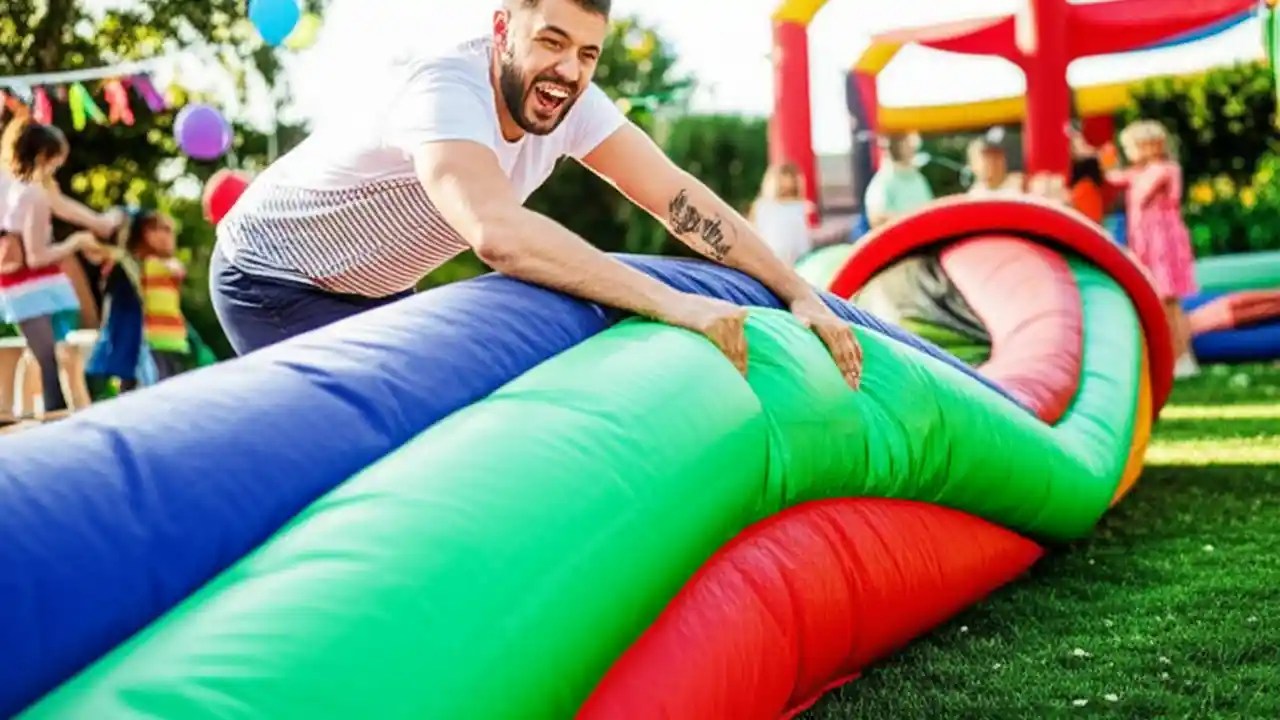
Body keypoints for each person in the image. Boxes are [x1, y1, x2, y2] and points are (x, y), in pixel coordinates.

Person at [211, 0, 863, 388]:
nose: (569, 71)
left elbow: (678, 199)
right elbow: (498, 234)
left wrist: (800, 292)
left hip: (373, 286)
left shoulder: (575, 102)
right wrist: (676, 304)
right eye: (551, 43)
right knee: (362, 437)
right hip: (272, 275)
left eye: (587, 53)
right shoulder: (446, 91)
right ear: (502, 32)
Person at [0, 117, 115, 420]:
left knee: (43, 358)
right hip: (32, 289)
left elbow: (63, 206)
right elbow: (37, 256)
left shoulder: (21, 188)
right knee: (50, 365)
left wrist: (98, 224)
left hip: (22, 288)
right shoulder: (34, 195)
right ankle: (56, 424)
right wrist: (75, 242)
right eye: (55, 161)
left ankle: (34, 416)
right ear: (42, 157)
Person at [1107, 119, 1200, 378]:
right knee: (1162, 303)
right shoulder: (1140, 172)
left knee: (1169, 302)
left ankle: (1183, 357)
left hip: (1164, 245)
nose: (1131, 154)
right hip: (1147, 245)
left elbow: (1141, 188)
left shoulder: (1165, 169)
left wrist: (1124, 173)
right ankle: (1176, 357)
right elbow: (1112, 178)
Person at [88, 209, 191, 392]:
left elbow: (176, 270)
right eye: (157, 229)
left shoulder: (167, 265)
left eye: (168, 230)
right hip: (149, 339)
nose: (165, 236)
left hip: (173, 338)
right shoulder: (136, 266)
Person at [748, 162, 814, 266]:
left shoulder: (803, 206)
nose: (786, 183)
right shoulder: (762, 206)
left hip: (798, 260)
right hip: (771, 259)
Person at [862, 133, 933, 228]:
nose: (912, 144)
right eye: (905, 140)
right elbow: (876, 217)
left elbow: (930, 210)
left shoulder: (919, 179)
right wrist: (910, 221)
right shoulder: (884, 181)